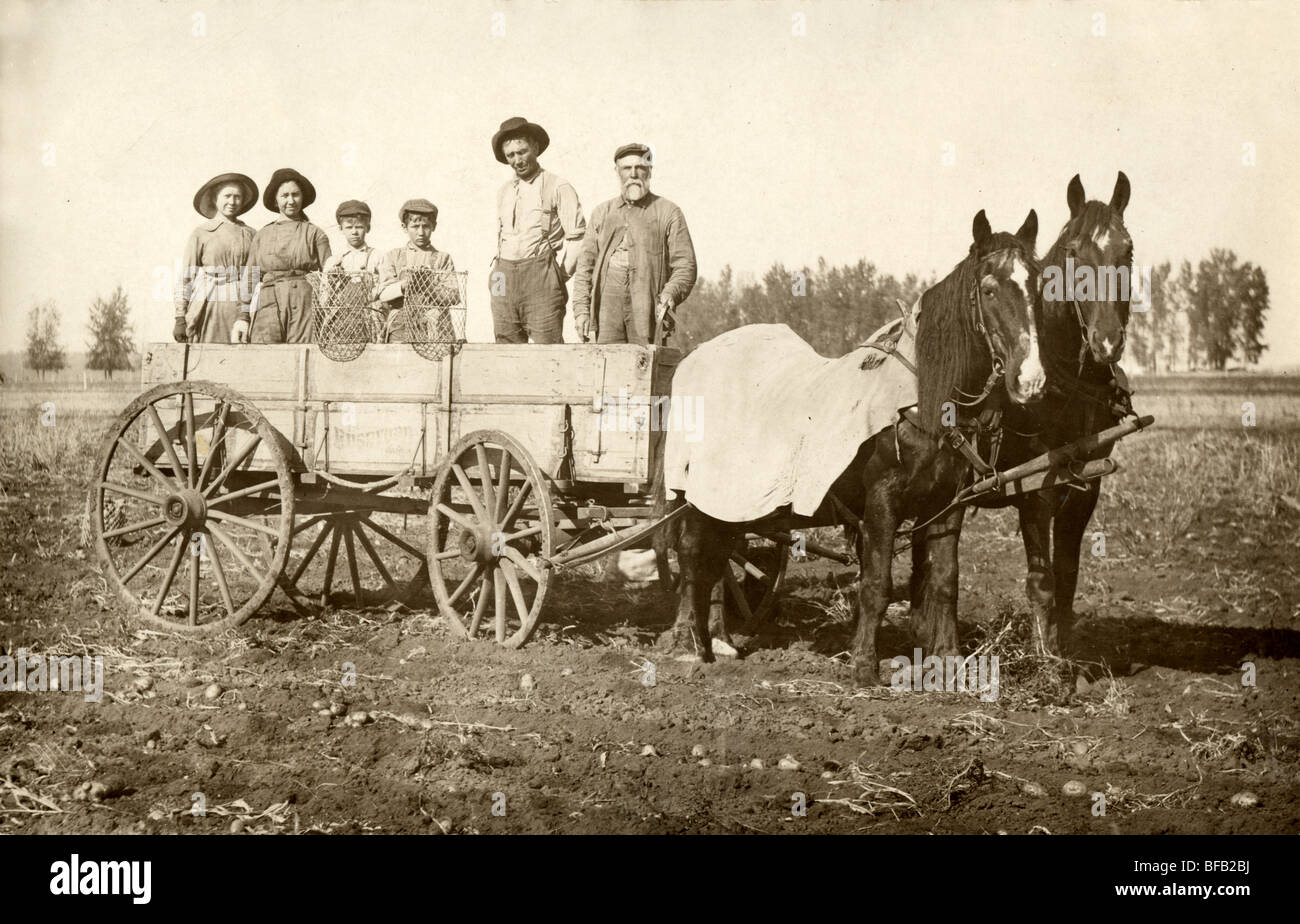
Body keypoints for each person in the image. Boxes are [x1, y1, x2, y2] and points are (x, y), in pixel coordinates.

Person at [571, 143, 697, 345]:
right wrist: (581, 311)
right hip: (607, 308)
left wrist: (669, 293)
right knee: (606, 366)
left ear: (650, 171)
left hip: (647, 308)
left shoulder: (669, 212)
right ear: (617, 172)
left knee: (644, 369)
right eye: (626, 168)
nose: (633, 174)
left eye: (640, 168)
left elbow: (685, 266)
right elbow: (584, 267)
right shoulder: (602, 213)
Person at [489, 116, 586, 343]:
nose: (517, 160)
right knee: (504, 348)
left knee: (547, 351)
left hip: (540, 276)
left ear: (535, 147)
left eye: (522, 151)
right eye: (511, 155)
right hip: (502, 276)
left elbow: (579, 237)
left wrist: (559, 276)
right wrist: (496, 276)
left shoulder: (558, 186)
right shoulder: (504, 191)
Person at [234, 168, 331, 344]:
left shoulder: (315, 233)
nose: (291, 201)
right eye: (284, 196)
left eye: (295, 195)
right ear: (275, 200)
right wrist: (243, 316)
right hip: (268, 303)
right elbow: (250, 276)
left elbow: (330, 276)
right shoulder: (262, 235)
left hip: (305, 304)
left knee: (304, 355)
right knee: (265, 356)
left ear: (303, 198)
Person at [174, 173, 258, 343]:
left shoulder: (251, 234)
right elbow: (186, 277)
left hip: (244, 305)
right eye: (227, 196)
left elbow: (255, 273)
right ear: (215, 199)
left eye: (237, 197)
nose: (232, 202)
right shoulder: (202, 233)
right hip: (211, 304)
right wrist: (180, 317)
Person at [376, 199, 458, 342]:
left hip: (435, 328)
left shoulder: (443, 259)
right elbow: (383, 294)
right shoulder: (393, 256)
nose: (420, 232)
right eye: (415, 226)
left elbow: (454, 296)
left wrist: (429, 287)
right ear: (404, 227)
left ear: (434, 226)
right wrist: (404, 285)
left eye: (425, 226)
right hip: (400, 327)